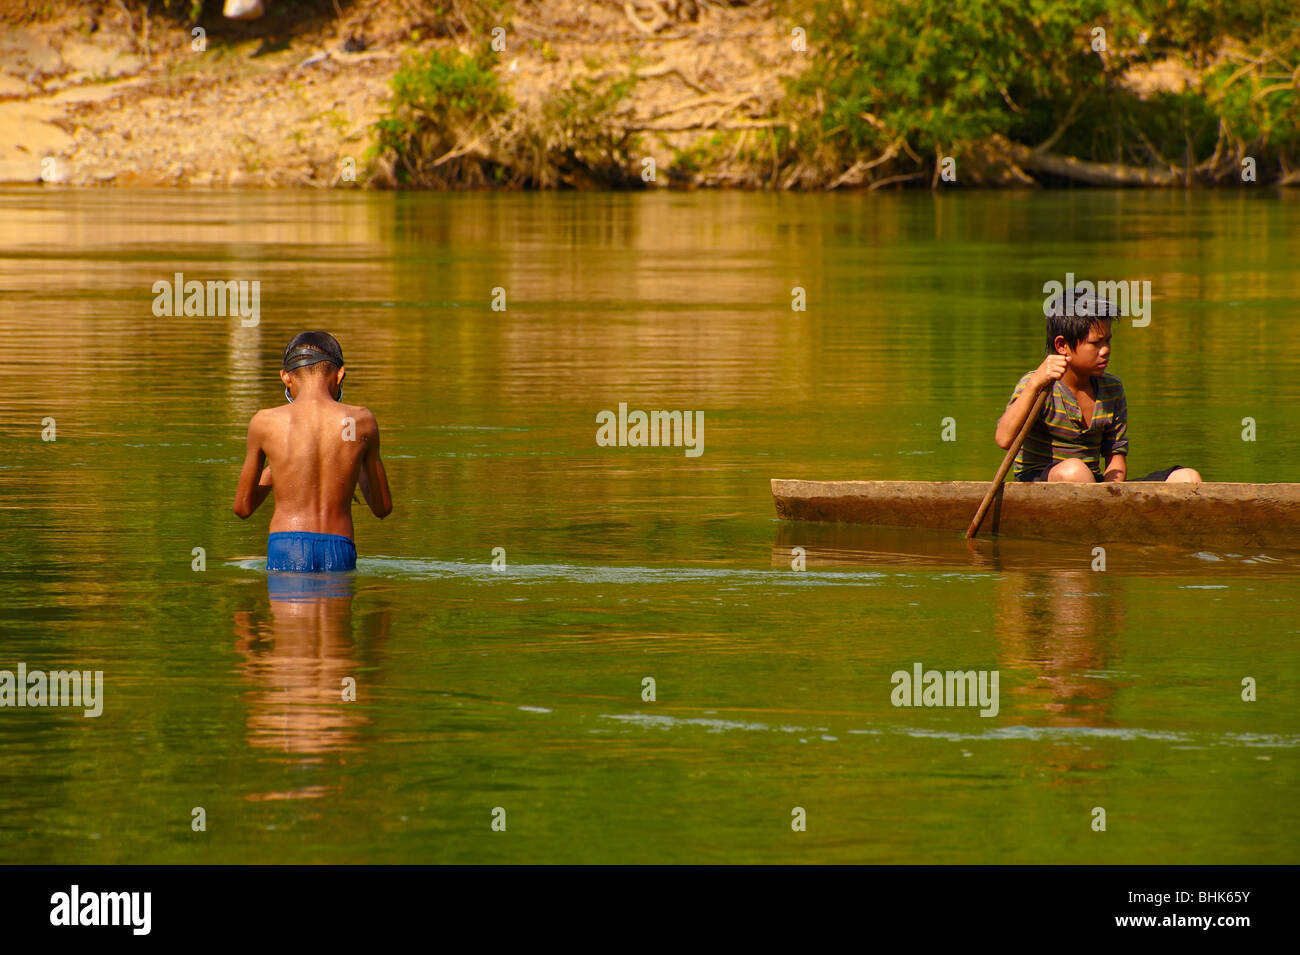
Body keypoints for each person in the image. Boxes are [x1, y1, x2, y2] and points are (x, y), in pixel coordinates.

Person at [995, 292, 1202, 484]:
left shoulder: (1112, 389)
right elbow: (1004, 439)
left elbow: (1116, 458)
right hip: (1042, 484)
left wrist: (1112, 494)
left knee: (1187, 478)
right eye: (1095, 343)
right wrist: (1035, 385)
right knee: (1075, 472)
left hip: (1093, 485)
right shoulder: (1038, 385)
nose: (1105, 350)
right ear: (1062, 345)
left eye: (1108, 341)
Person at [233, 331, 392, 571]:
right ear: (340, 375)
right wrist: (351, 462)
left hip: (286, 545)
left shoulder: (265, 422)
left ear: (286, 377)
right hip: (339, 546)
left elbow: (243, 508)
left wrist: (278, 467)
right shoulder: (361, 420)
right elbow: (382, 508)